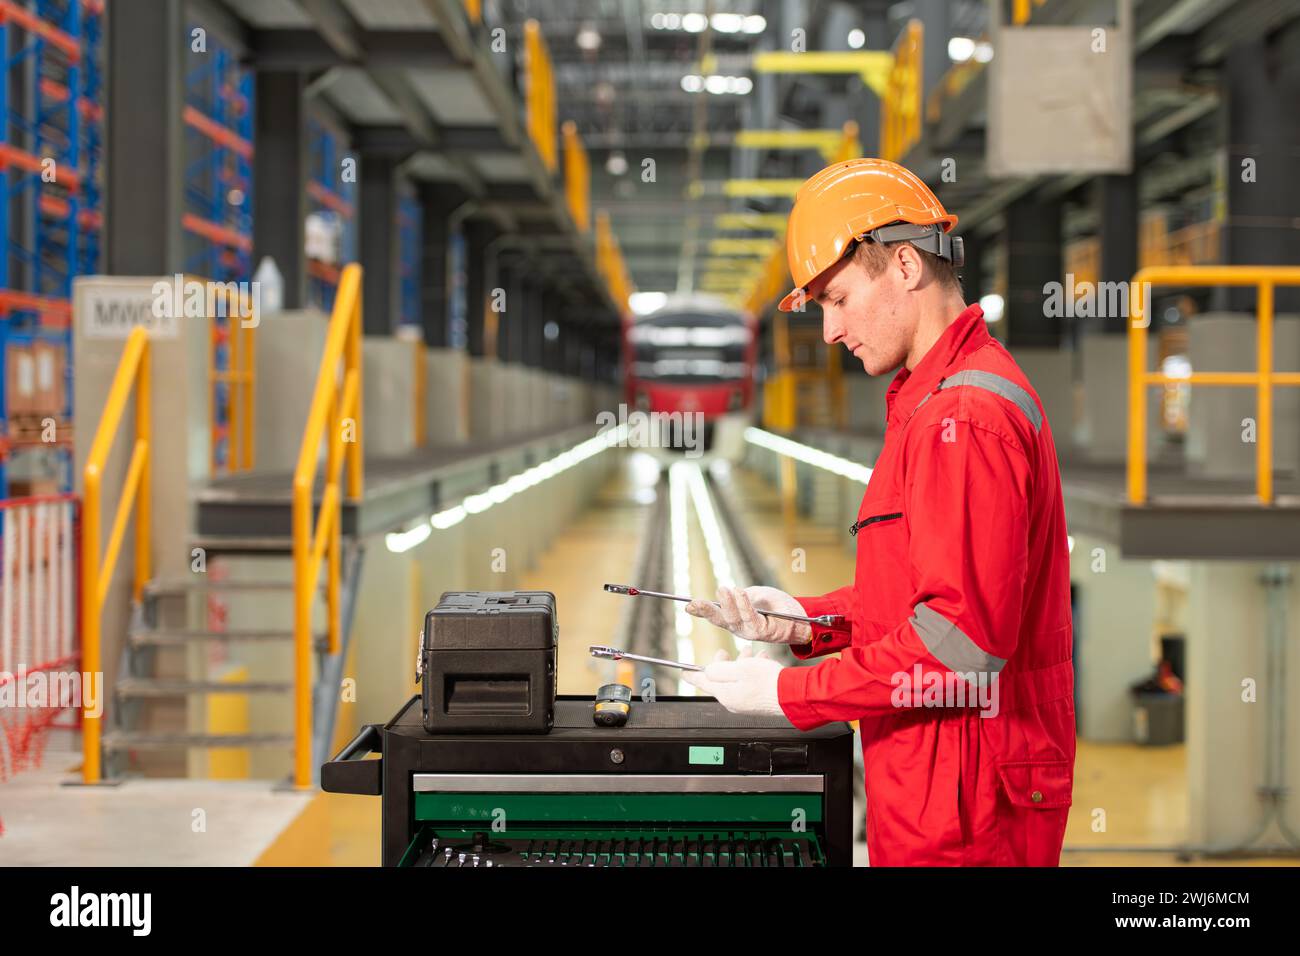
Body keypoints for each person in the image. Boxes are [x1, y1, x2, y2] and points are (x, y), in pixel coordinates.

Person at [684, 158, 1075, 866]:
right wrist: (807, 621)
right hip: (934, 791)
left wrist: (790, 691)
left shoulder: (965, 417)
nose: (829, 331)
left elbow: (960, 646)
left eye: (836, 299)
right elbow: (922, 603)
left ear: (902, 265)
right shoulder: (931, 401)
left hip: (968, 814)